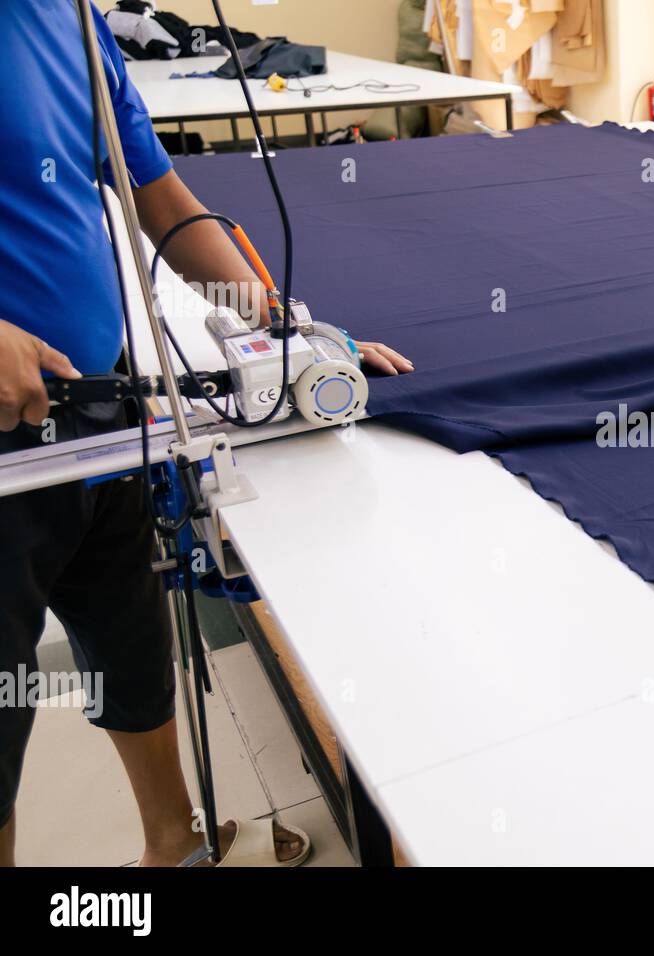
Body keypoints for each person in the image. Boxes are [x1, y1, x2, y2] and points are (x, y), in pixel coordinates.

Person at [0, 2, 413, 866]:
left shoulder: (69, 17)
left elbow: (160, 197)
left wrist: (291, 333)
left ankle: (175, 841)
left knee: (128, 635)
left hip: (96, 407)